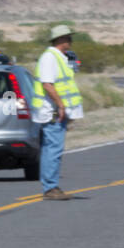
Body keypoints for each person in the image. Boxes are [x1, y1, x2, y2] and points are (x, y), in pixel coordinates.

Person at [32, 25, 84, 200]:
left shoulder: (60, 58)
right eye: (68, 37)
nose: (70, 41)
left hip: (56, 111)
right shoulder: (50, 58)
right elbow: (48, 84)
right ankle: (50, 187)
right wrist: (60, 106)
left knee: (52, 149)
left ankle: (51, 186)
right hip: (52, 111)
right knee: (53, 150)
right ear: (60, 39)